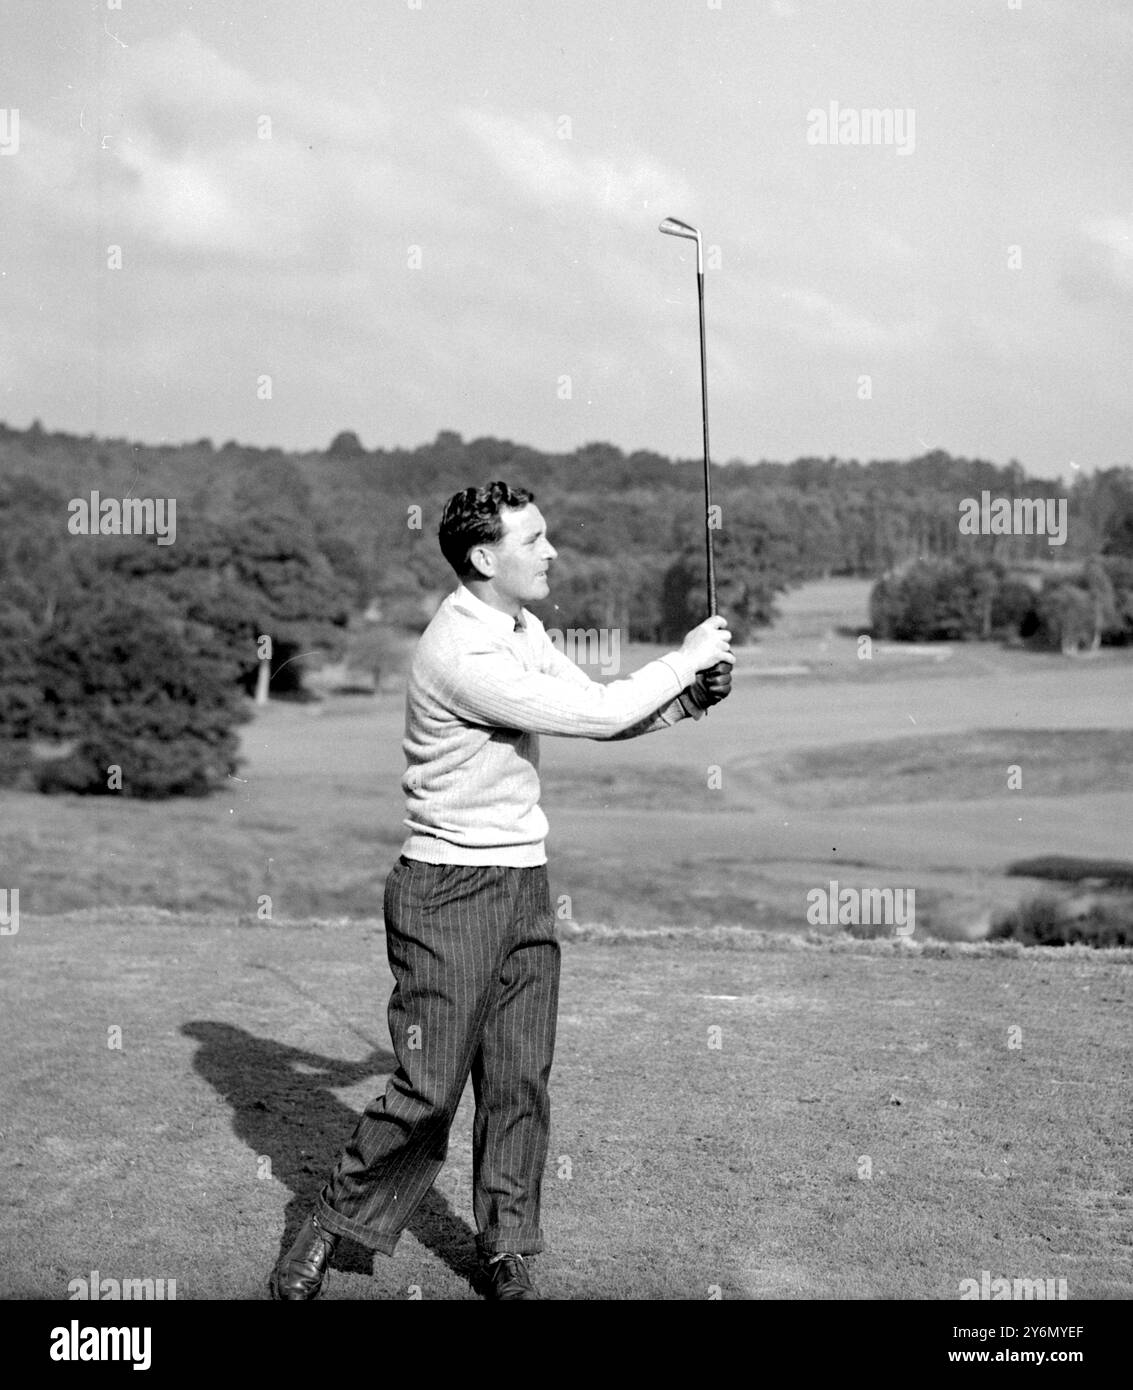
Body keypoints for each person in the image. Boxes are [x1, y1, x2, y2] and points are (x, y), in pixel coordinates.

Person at [270, 480, 733, 1301]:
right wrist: (684, 658)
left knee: (518, 1078)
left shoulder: (520, 627)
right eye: (534, 541)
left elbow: (599, 710)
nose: (551, 551)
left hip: (523, 884)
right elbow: (593, 715)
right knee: (427, 1089)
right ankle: (331, 1224)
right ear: (484, 558)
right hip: (447, 890)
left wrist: (688, 698)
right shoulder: (463, 652)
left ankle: (505, 1245)